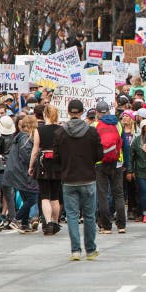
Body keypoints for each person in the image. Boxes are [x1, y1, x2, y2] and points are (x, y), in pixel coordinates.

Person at [54, 100, 103, 261]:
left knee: (72, 216)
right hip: (88, 177)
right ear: (82, 112)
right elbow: (99, 155)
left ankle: (75, 250)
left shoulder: (60, 133)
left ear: (68, 112)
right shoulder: (91, 132)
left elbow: (56, 157)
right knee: (89, 215)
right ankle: (90, 250)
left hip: (68, 178)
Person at [3, 115, 39, 233]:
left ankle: (24, 224)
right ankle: (16, 219)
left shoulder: (20, 136)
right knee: (32, 198)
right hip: (22, 172)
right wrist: (35, 159)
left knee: (25, 197)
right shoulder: (26, 138)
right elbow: (26, 156)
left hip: (14, 171)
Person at [95, 102, 125, 234]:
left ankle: (106, 226)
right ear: (108, 111)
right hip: (117, 161)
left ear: (97, 112)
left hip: (100, 162)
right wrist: (127, 164)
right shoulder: (117, 124)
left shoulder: (95, 125)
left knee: (102, 194)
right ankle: (121, 225)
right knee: (118, 193)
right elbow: (124, 144)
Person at [32, 105, 63, 235]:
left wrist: (30, 166)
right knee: (55, 196)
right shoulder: (62, 129)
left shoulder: (39, 130)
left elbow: (35, 150)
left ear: (45, 115)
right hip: (57, 163)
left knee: (45, 196)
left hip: (43, 162)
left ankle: (48, 221)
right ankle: (55, 223)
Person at [131, 119, 146, 223]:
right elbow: (131, 156)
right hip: (141, 171)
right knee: (144, 192)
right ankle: (145, 213)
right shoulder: (137, 140)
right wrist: (130, 170)